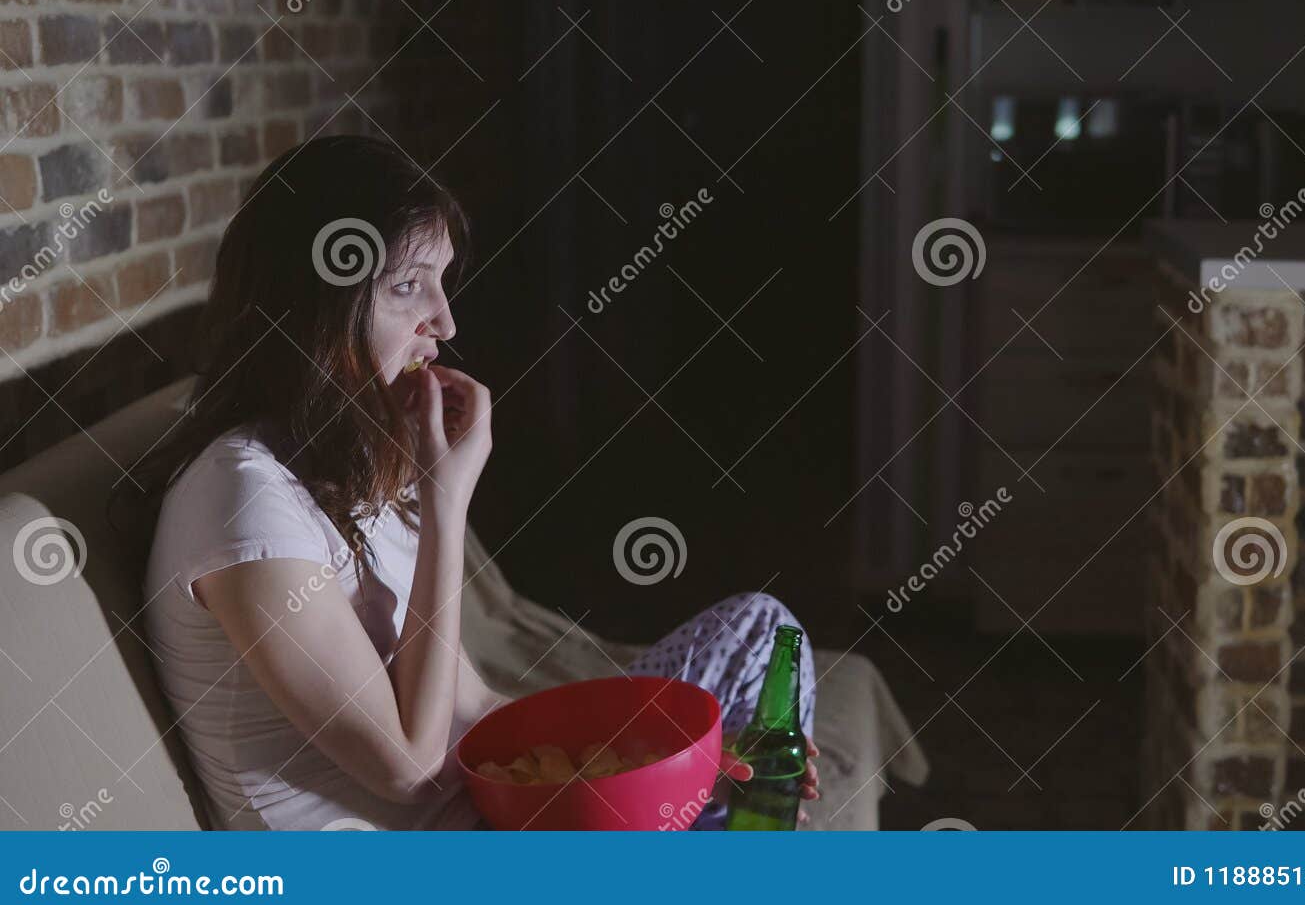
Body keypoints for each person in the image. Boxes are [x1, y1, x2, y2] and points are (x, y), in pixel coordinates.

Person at [113, 136, 820, 830]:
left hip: (493, 814)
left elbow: (475, 711)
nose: (446, 323)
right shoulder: (242, 498)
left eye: (442, 282)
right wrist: (444, 500)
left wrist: (674, 762)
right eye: (407, 287)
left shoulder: (344, 459)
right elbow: (409, 771)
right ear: (316, 308)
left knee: (760, 631)